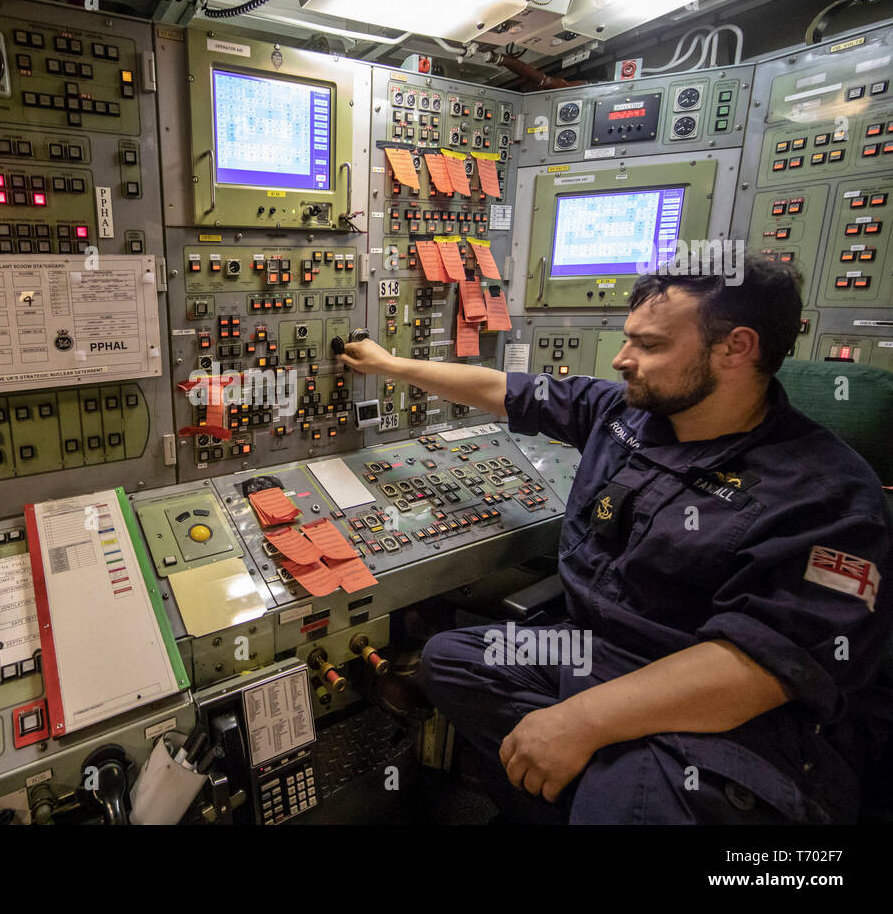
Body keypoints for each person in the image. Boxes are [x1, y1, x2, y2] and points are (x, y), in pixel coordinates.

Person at [338, 255, 890, 823]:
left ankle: (617, 778)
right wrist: (393, 364)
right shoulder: (624, 414)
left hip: (728, 710)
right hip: (596, 653)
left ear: (736, 348)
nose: (623, 360)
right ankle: (588, 784)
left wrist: (582, 724)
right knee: (452, 660)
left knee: (631, 791)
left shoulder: (827, 494)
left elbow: (763, 668)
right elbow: (504, 390)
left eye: (649, 346)